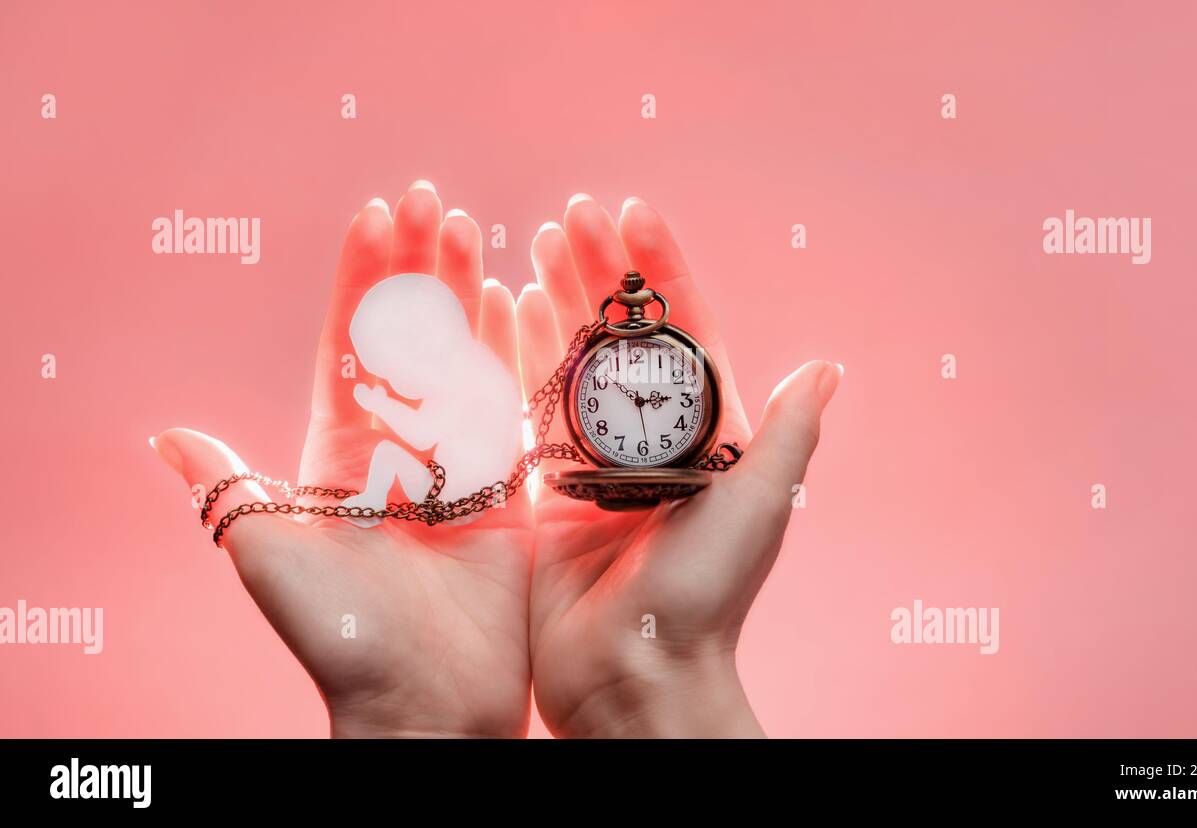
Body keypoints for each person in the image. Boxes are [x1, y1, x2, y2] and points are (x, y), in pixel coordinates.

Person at [149, 180, 843, 738]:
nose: (638, 412)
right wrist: (663, 684)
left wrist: (658, 669)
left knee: (393, 458)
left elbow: (421, 421)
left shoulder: (471, 386)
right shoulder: (474, 387)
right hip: (449, 482)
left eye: (656, 407)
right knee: (392, 461)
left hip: (451, 480)